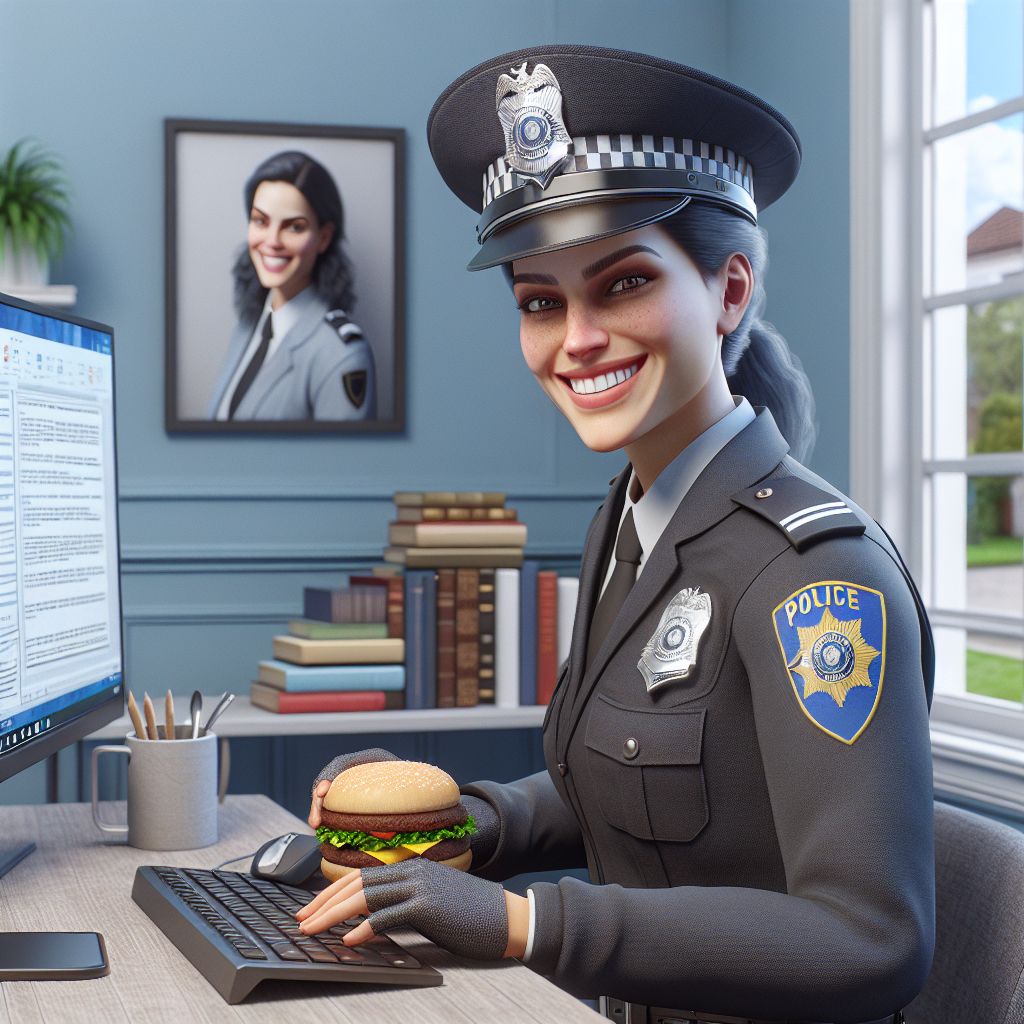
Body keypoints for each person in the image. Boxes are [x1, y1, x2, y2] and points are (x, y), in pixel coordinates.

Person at [294, 46, 936, 1024]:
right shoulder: (628, 522)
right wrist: (438, 824)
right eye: (540, 301)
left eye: (624, 283)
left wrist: (525, 923)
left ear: (729, 291)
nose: (577, 339)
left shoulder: (816, 575)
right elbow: (618, 784)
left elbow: (870, 939)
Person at [208, 149, 376, 421]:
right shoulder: (249, 325)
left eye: (295, 227)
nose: (272, 241)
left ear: (324, 237)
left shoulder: (342, 355)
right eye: (260, 221)